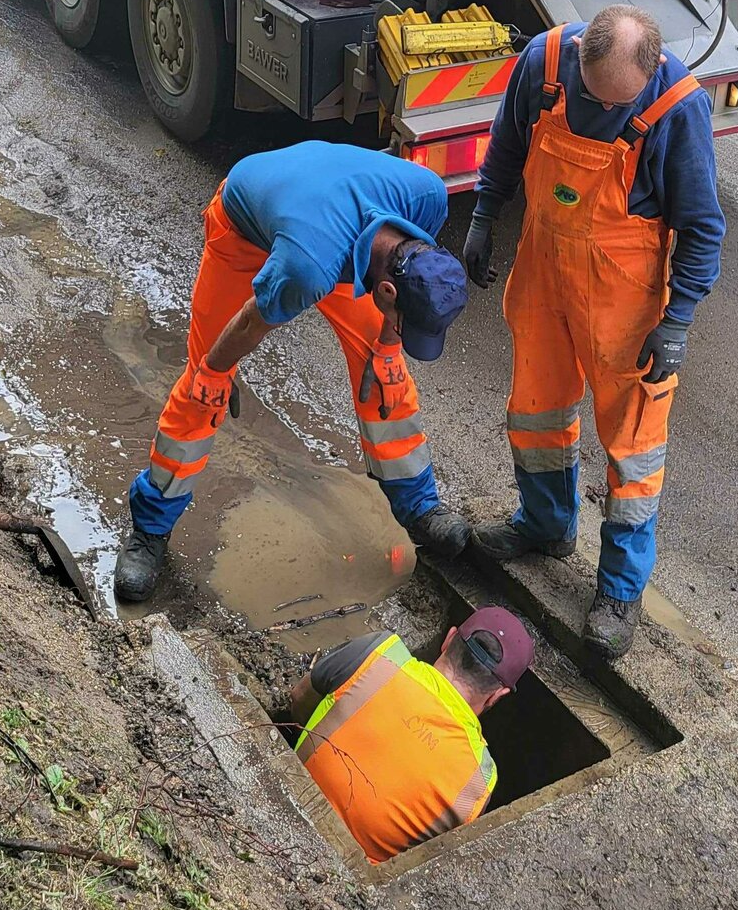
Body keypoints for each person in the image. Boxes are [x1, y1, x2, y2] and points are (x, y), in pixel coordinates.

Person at [463, 4, 724, 660]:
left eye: (620, 103)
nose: (605, 112)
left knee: (633, 451)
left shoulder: (678, 106)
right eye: (594, 97)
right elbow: (507, 143)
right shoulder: (545, 64)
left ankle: (618, 593)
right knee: (536, 411)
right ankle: (545, 525)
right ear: (580, 58)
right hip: (544, 269)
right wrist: (483, 214)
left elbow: (701, 228)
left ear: (652, 69)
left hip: (626, 296)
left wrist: (678, 321)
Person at [114, 141, 473, 604]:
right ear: (385, 289)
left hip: (329, 218)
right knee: (205, 387)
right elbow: (249, 322)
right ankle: (149, 528)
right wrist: (219, 369)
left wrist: (386, 345)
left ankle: (420, 507)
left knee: (383, 373)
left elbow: (403, 289)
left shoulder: (428, 197)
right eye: (408, 328)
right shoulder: (306, 268)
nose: (406, 336)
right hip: (244, 231)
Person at [282, 606, 534, 861]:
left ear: (448, 639)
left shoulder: (379, 652)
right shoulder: (480, 780)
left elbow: (300, 697)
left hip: (284, 793)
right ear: (496, 696)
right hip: (338, 872)